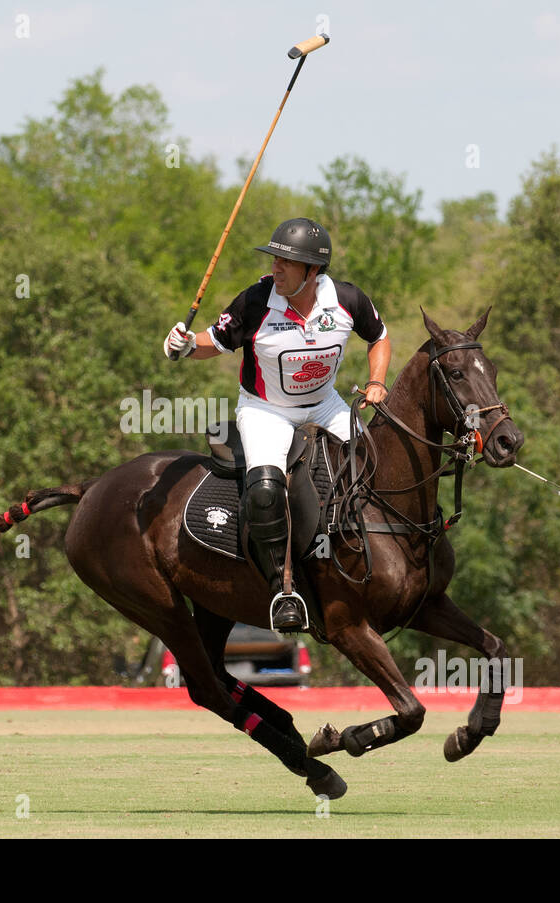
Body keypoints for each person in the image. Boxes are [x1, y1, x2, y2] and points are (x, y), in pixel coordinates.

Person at [164, 218, 391, 632]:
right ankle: (284, 590)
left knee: (374, 468)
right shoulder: (254, 302)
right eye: (275, 259)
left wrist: (377, 381)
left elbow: (379, 337)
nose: (276, 268)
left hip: (325, 405)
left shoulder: (347, 300)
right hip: (266, 409)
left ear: (312, 271)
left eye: (287, 262)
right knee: (266, 490)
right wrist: (182, 345)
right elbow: (210, 344)